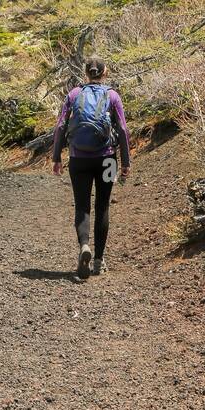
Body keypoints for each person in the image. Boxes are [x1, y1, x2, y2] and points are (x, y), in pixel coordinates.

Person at [52, 56, 130, 278]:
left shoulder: (74, 95)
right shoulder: (112, 95)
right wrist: (125, 162)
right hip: (107, 159)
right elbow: (123, 130)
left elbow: (60, 126)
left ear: (86, 73)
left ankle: (84, 245)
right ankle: (98, 261)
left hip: (78, 159)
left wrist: (56, 156)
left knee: (82, 206)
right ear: (105, 72)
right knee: (103, 206)